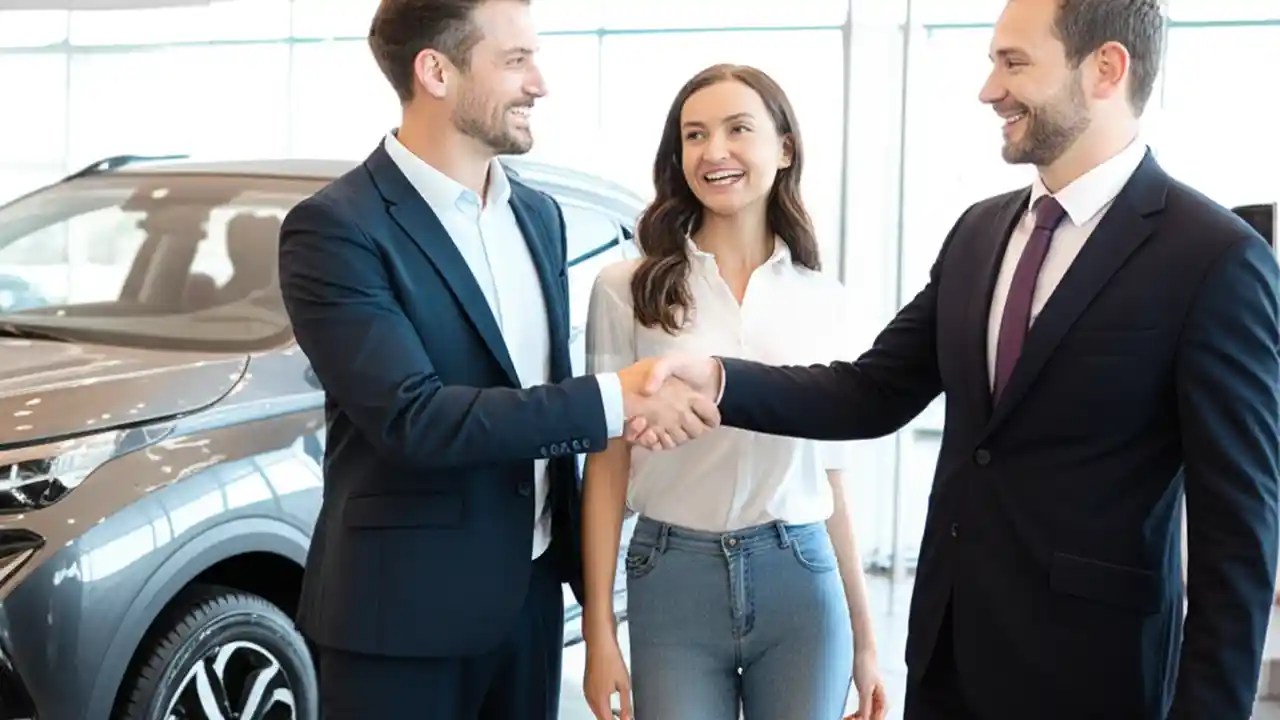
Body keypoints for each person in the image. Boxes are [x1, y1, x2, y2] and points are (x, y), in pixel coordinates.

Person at [628, 1, 1280, 719]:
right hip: (950, 656)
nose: (988, 89)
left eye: (1014, 62)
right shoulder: (980, 233)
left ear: (1106, 69)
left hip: (1096, 673)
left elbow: (1238, 540)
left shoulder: (1215, 259)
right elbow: (869, 392)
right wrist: (720, 379)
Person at [276, 1, 717, 718]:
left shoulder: (536, 215)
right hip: (400, 620)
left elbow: (531, 399)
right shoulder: (336, 229)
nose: (538, 83)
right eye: (515, 61)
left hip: (531, 600)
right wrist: (616, 397)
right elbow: (413, 418)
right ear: (436, 72)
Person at [578, 63, 888, 720]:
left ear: (784, 148)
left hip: (800, 577)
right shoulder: (626, 289)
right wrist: (598, 634)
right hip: (671, 575)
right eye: (694, 135)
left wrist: (865, 642)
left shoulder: (826, 301)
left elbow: (830, 482)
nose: (713, 151)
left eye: (737, 129)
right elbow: (605, 467)